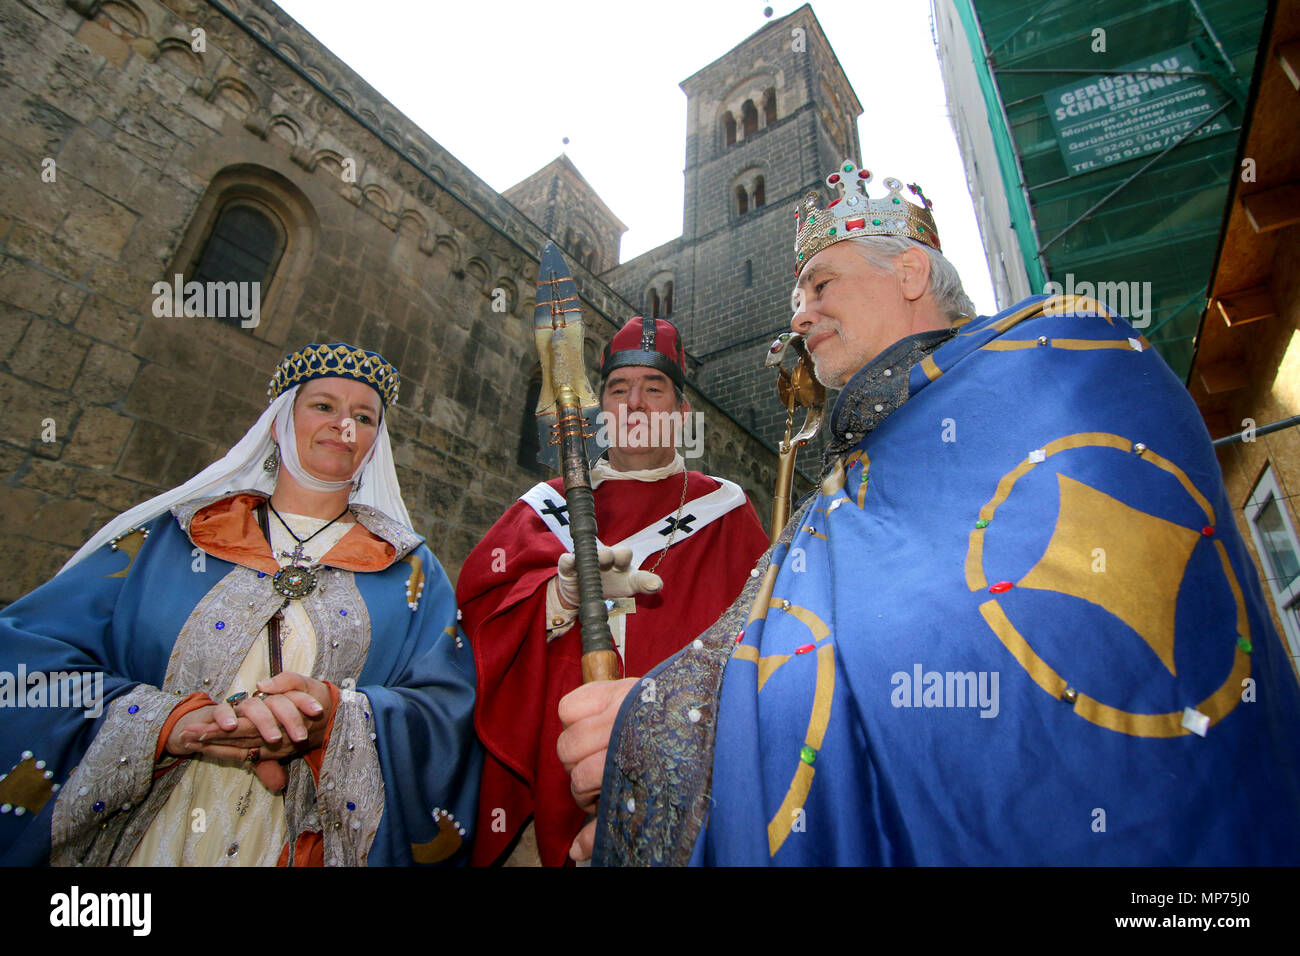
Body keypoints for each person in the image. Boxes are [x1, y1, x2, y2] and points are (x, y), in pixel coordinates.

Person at [558, 161, 1300, 865]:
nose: (801, 317)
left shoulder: (1061, 356)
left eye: (820, 286)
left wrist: (663, 730)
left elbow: (985, 666)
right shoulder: (849, 477)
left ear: (910, 271)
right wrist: (657, 785)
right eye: (795, 302)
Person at [0, 342, 481, 866]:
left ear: (375, 443)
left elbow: (445, 711)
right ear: (279, 423)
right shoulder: (172, 539)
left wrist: (335, 722)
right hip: (148, 834)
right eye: (323, 406)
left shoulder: (408, 568)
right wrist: (165, 722)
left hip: (290, 838)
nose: (344, 426)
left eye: (363, 417)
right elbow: (27, 661)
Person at [458, 316, 769, 866]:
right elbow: (477, 614)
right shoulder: (544, 508)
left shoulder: (725, 510)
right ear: (602, 411)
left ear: (680, 414)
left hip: (687, 781)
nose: (636, 405)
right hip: (548, 776)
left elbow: (764, 642)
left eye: (655, 389)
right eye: (619, 390)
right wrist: (557, 599)